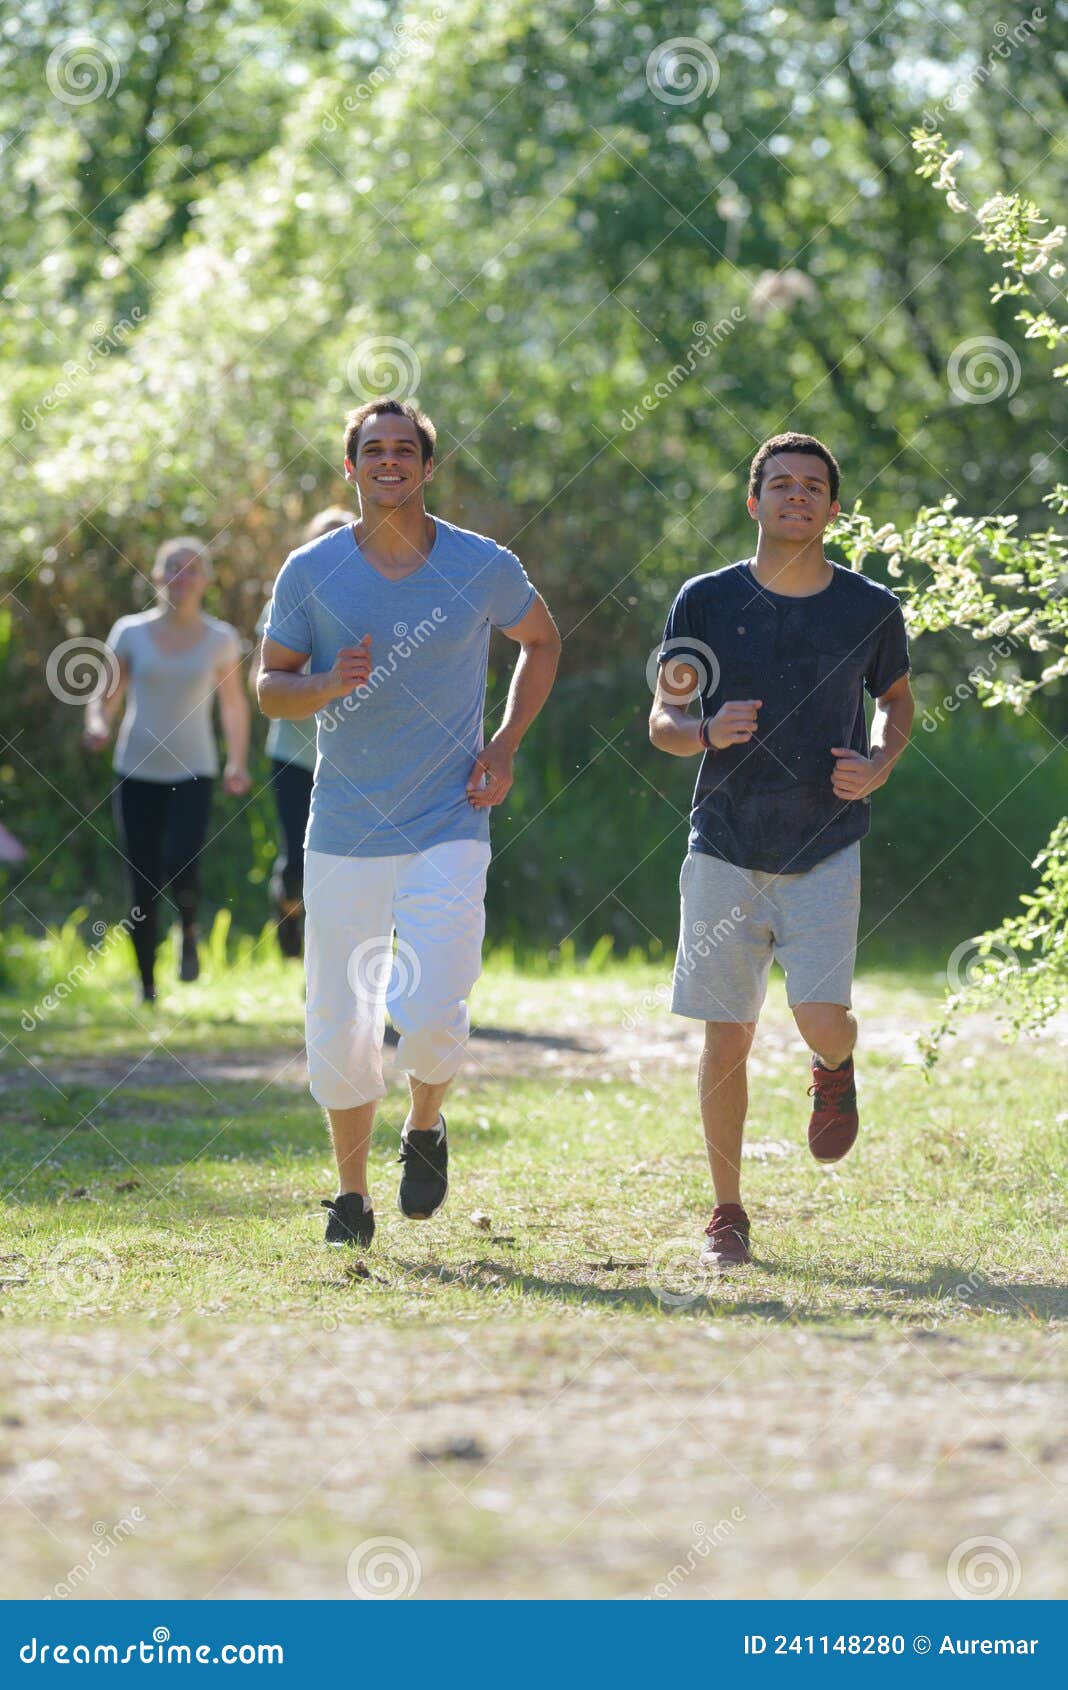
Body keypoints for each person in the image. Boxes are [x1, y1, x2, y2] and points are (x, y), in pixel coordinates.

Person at [258, 399, 561, 1248]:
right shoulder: (310, 572)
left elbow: (541, 641)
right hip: (344, 826)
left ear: (427, 469)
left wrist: (502, 745)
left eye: (404, 449)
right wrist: (326, 685)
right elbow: (268, 686)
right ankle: (350, 1198)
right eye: (372, 449)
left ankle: (425, 1123)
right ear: (349, 469)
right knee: (341, 1017)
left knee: (431, 1006)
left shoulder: (479, 564)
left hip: (448, 818)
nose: (388, 460)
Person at [649, 432, 914, 1269]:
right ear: (753, 499)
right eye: (781, 483)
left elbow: (897, 702)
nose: (797, 496)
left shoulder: (868, 607)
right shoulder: (704, 601)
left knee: (817, 1018)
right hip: (724, 843)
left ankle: (833, 1066)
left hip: (827, 843)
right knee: (725, 1037)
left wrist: (878, 763)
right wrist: (703, 730)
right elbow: (662, 722)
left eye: (814, 487)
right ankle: (727, 1213)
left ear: (834, 510)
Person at [85, 537, 251, 1002]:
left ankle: (190, 929)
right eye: (173, 568)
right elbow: (106, 696)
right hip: (135, 770)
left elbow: (234, 706)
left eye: (193, 569)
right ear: (157, 577)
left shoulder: (221, 638)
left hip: (194, 770)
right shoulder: (130, 632)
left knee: (183, 863)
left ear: (207, 580)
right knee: (141, 879)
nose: (183, 577)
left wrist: (237, 762)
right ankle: (147, 984)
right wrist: (98, 725)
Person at [249, 507, 351, 959]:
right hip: (294, 752)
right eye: (324, 539)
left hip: (355, 754)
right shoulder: (287, 598)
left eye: (342, 539)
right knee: (299, 862)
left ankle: (330, 963)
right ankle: (286, 902)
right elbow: (263, 677)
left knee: (349, 865)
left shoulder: (376, 598)